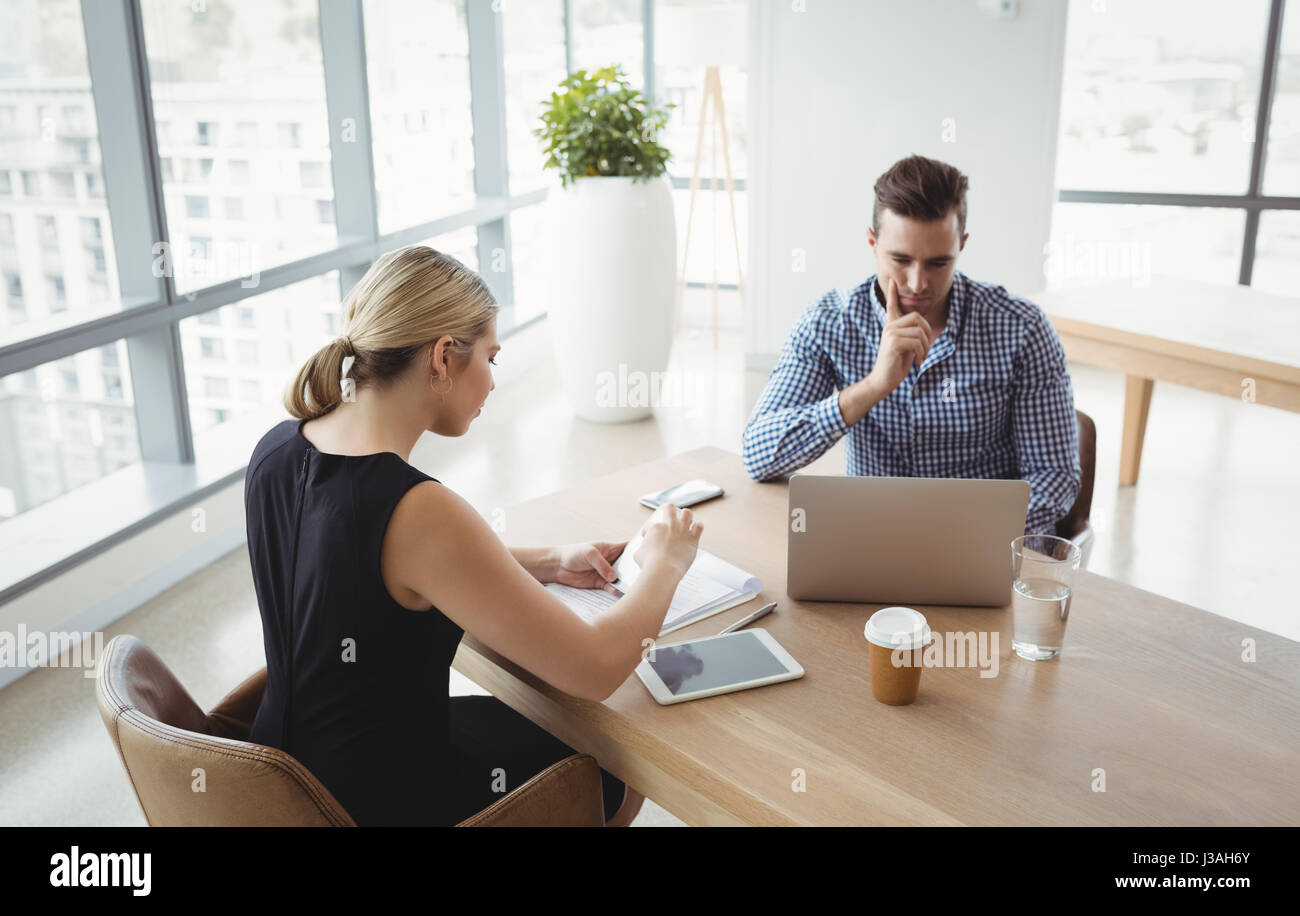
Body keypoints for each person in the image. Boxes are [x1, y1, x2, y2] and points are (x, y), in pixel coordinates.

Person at [244, 245, 703, 825]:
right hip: (385, 803)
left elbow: (357, 568)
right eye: (491, 355)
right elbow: (596, 668)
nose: (492, 381)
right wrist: (665, 561)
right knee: (614, 764)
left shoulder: (277, 450)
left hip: (282, 779)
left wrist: (551, 561)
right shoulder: (418, 507)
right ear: (442, 357)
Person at [741, 154, 1080, 536]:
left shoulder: (1022, 328)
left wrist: (974, 539)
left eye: (938, 263)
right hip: (870, 542)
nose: (918, 283)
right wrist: (873, 386)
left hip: (982, 546)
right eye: (900, 260)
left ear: (961, 246)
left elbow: (1054, 475)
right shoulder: (829, 322)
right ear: (872, 241)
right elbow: (758, 456)